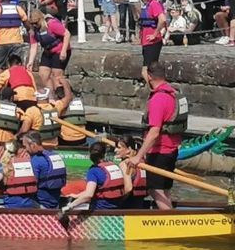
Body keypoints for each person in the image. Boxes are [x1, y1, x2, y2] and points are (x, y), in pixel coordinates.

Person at [127, 61, 187, 210]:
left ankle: (171, 224)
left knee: (155, 190)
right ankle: (170, 214)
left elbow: (154, 132)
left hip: (160, 151)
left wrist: (138, 156)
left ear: (149, 76)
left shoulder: (158, 99)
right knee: (164, 189)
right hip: (172, 150)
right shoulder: (172, 93)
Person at [61, 142, 131, 212]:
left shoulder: (94, 171)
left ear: (89, 155)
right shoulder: (115, 166)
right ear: (104, 154)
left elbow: (88, 195)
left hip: (100, 211)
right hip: (118, 209)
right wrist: (77, 195)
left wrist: (69, 206)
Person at [0, 141, 38, 209]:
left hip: (11, 205)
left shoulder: (5, 165)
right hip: (30, 204)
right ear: (19, 151)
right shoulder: (28, 164)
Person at [25, 9, 70, 92]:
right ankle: (51, 96)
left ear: (41, 19)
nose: (34, 25)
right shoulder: (33, 31)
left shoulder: (52, 24)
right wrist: (30, 61)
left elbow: (66, 34)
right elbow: (34, 46)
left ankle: (63, 95)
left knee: (57, 76)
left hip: (59, 50)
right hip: (48, 51)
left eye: (36, 23)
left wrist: (63, 51)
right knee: (43, 74)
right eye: (32, 23)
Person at [21, 131, 67, 209]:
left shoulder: (35, 161)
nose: (25, 150)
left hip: (40, 204)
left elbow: (30, 185)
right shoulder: (54, 156)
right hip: (55, 203)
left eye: (25, 146)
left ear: (33, 145)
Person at [138, 0, 167, 81]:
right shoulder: (146, 5)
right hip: (146, 41)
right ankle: (155, 90)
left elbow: (162, 19)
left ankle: (154, 90)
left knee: (145, 71)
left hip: (152, 41)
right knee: (152, 69)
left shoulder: (154, 4)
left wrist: (155, 34)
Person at [115, 136, 150, 208]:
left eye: (119, 148)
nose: (115, 150)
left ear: (129, 149)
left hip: (128, 206)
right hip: (139, 205)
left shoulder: (124, 164)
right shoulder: (142, 163)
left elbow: (128, 188)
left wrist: (117, 202)